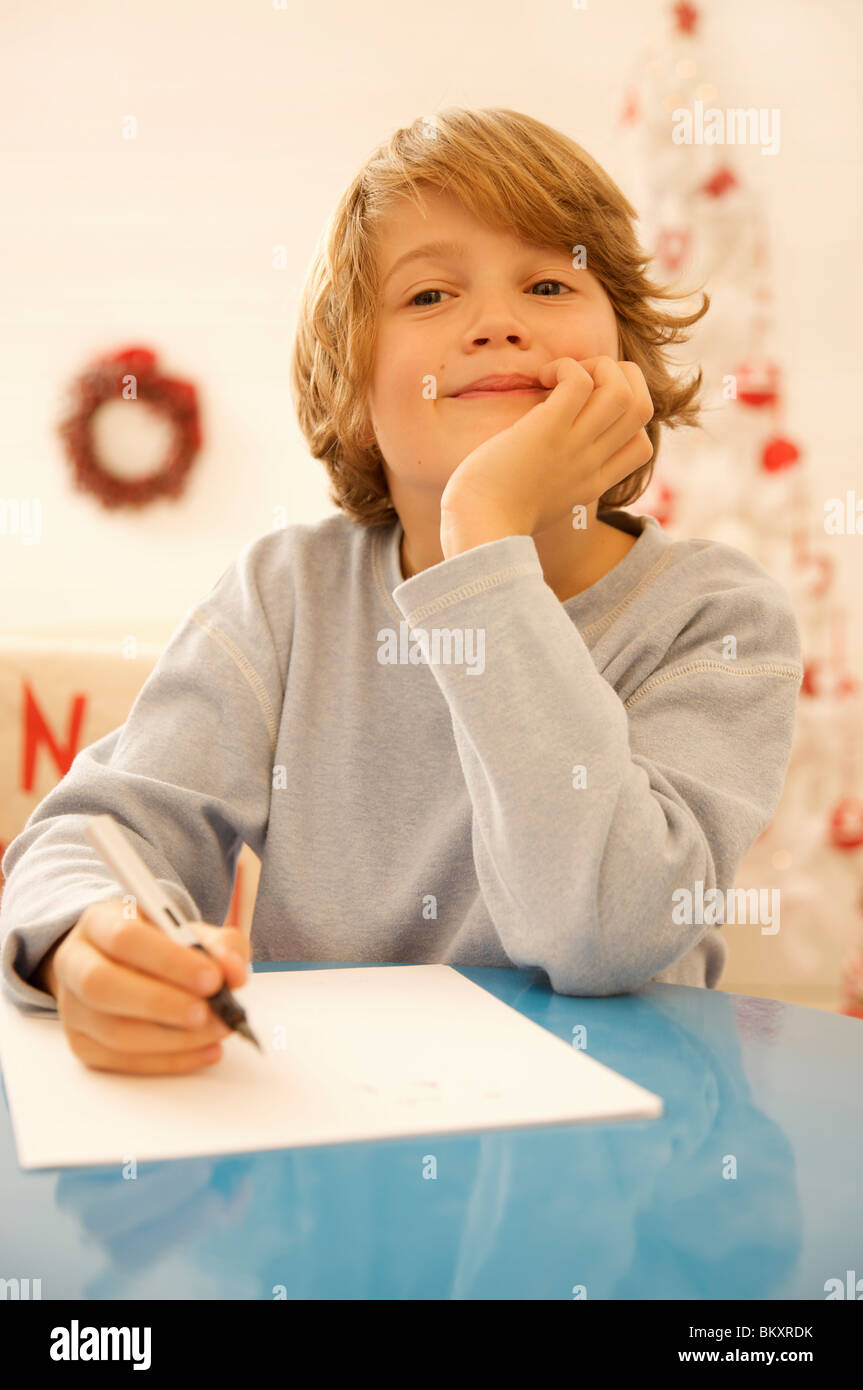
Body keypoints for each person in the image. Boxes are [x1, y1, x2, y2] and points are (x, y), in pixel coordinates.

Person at [0, 107, 803, 1075]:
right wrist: (88, 935)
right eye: (427, 295)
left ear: (625, 363)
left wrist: (484, 541)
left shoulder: (716, 617)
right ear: (355, 387)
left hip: (619, 1155)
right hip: (337, 1141)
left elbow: (600, 932)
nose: (496, 320)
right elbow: (98, 830)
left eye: (550, 281)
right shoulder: (284, 594)